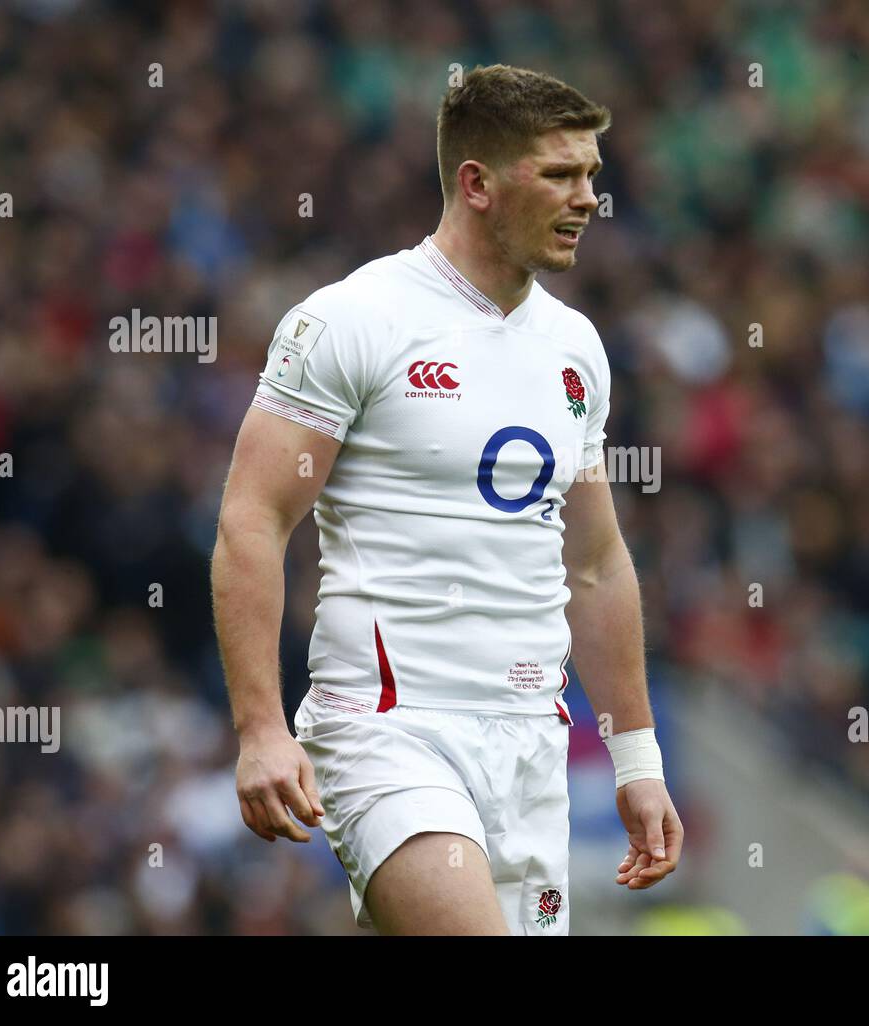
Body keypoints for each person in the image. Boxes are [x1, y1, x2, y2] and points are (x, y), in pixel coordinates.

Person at [211, 64, 682, 935]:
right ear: (476, 184)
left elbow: (595, 562)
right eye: (559, 175)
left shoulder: (575, 350)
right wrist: (260, 730)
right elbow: (255, 518)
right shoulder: (355, 321)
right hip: (389, 729)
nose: (587, 199)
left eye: (592, 176)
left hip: (532, 743)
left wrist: (636, 757)